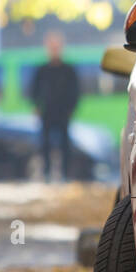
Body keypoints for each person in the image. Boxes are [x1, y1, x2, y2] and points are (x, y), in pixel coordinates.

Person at [28, 32, 80, 180]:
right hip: (47, 112)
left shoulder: (68, 70)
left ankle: (65, 174)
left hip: (63, 113)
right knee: (44, 145)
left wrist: (71, 109)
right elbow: (34, 91)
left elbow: (75, 91)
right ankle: (46, 173)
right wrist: (37, 106)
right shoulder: (42, 70)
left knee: (65, 145)